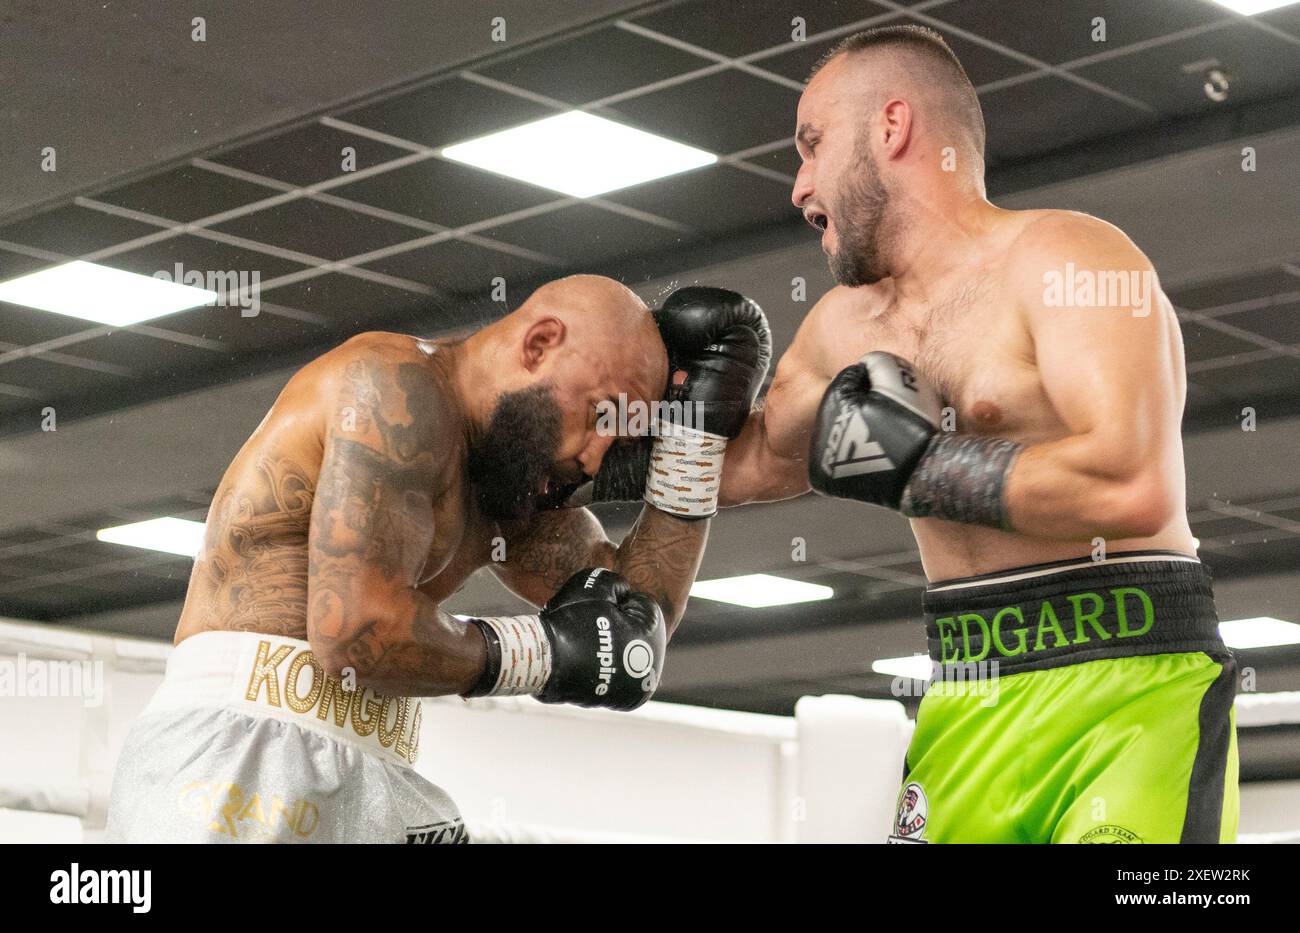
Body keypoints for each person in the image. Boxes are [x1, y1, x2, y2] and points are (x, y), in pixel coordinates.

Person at [716, 25, 1236, 844]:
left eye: (811, 147)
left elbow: (1134, 486)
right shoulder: (839, 329)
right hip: (966, 692)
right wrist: (599, 429)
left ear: (891, 128)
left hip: (1133, 689)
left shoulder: (1068, 258)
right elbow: (740, 466)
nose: (799, 185)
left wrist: (923, 467)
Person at [106, 274, 769, 843]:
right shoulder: (395, 387)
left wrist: (692, 454)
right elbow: (355, 634)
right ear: (539, 344)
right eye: (598, 413)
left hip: (378, 765)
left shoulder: (508, 495)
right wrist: (537, 654)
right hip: (241, 748)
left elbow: (628, 634)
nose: (597, 455)